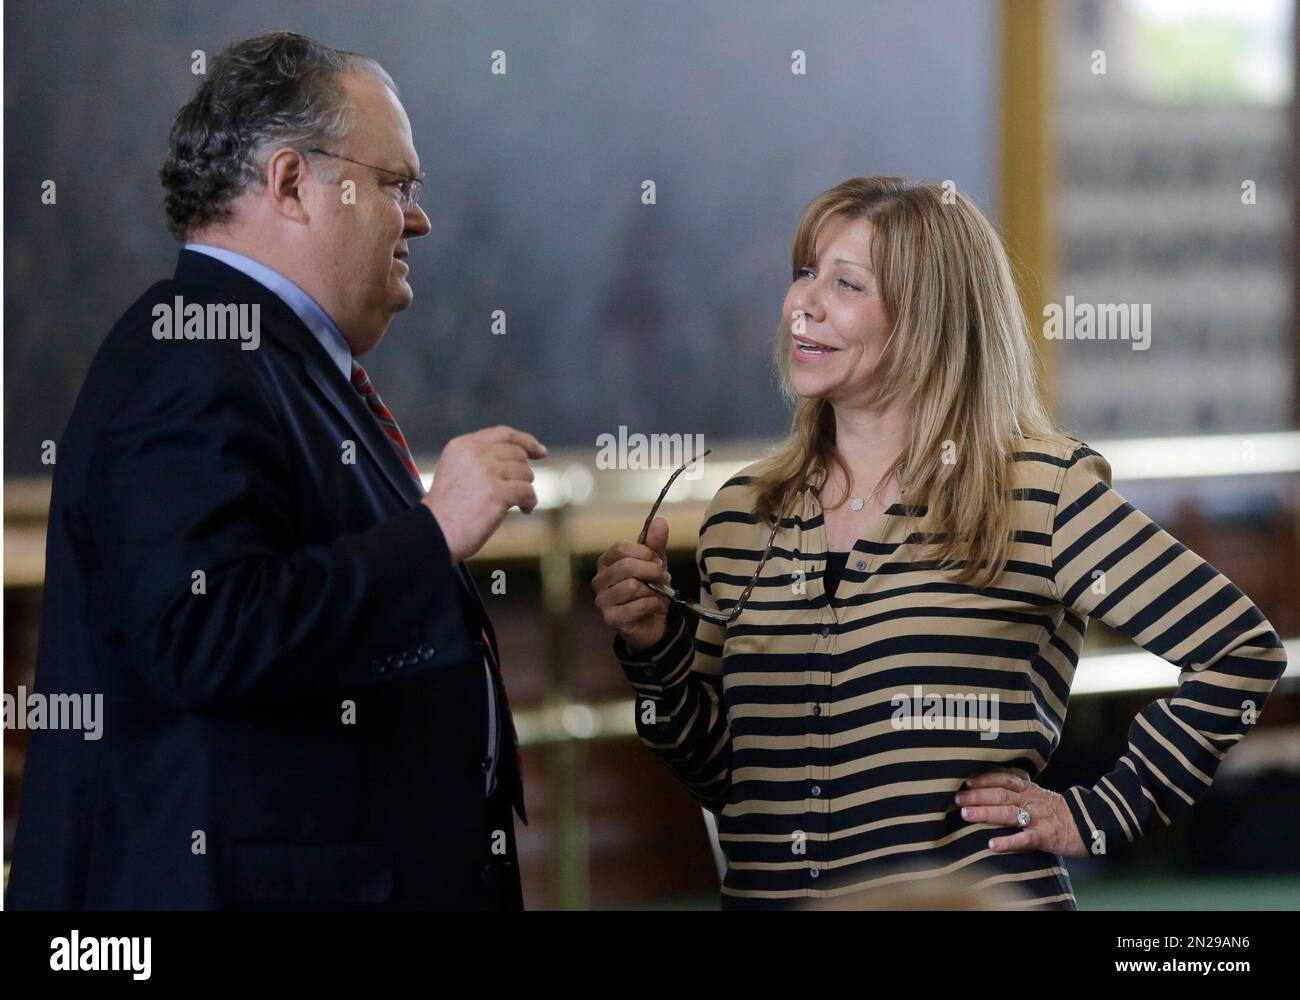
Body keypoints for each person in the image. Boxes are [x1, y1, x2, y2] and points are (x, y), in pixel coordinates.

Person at [593, 176, 1288, 909]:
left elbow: (1239, 651)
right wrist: (655, 647)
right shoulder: (743, 513)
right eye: (805, 272)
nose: (804, 302)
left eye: (846, 283)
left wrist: (1098, 815)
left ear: (928, 319)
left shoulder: (1036, 490)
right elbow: (732, 779)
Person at [6, 31, 544, 910]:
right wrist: (434, 533)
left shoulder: (259, 351)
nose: (419, 218)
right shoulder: (195, 351)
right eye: (395, 184)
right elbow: (200, 631)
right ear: (293, 183)